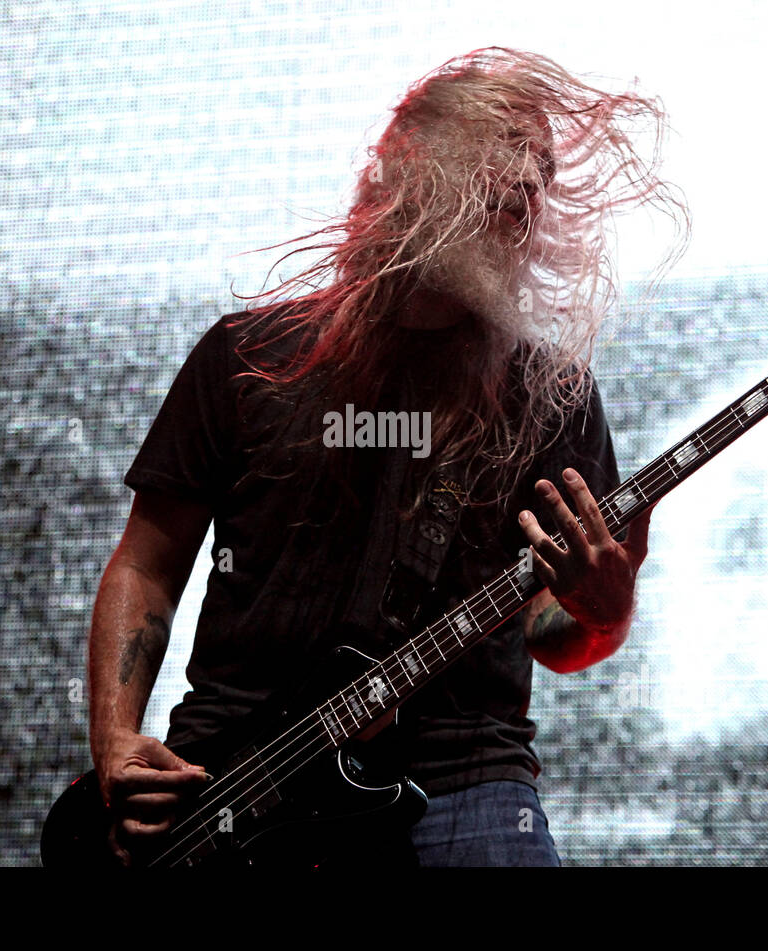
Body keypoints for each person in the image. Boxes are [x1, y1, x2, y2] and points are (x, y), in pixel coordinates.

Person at [87, 47, 686, 867]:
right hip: (231, 768)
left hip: (463, 782)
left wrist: (607, 608)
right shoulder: (245, 355)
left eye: (540, 172)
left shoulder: (553, 394)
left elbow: (553, 633)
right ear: (408, 165)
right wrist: (116, 743)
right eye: (502, 151)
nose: (528, 183)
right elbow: (147, 566)